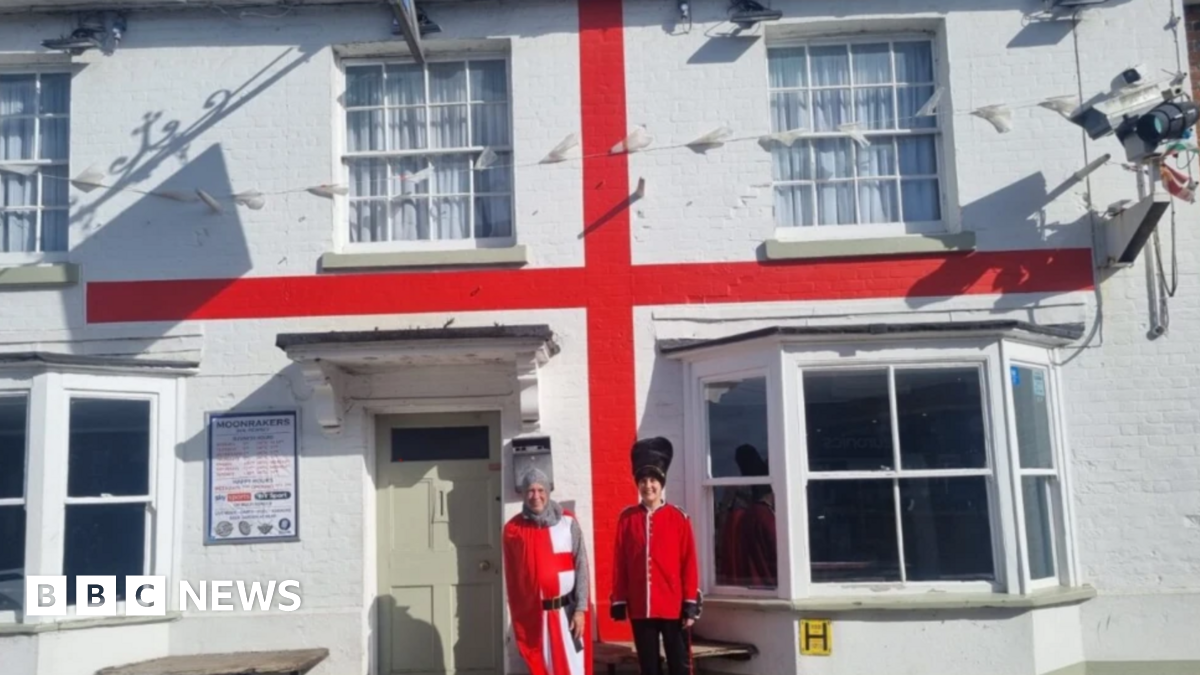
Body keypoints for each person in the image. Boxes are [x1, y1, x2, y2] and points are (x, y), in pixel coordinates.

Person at [609, 437, 701, 675]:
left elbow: (689, 563)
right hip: (641, 607)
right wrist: (619, 599)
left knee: (679, 667)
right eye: (643, 481)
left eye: (653, 480)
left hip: (673, 607)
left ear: (661, 484)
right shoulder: (627, 519)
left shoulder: (679, 518)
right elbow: (621, 563)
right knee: (649, 668)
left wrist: (689, 603)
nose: (648, 485)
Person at [502, 467, 591, 675]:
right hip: (538, 618)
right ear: (524, 495)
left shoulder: (567, 522)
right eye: (530, 491)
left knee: (574, 667)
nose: (536, 496)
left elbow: (581, 566)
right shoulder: (514, 530)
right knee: (544, 669)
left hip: (567, 613)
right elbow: (514, 580)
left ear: (548, 491)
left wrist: (580, 609)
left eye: (540, 489)